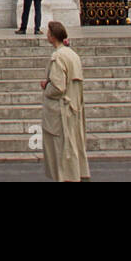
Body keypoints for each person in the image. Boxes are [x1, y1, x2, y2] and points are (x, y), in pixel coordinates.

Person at [41, 21, 90, 181]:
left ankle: (67, 178)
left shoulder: (57, 57)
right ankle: (78, 174)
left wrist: (46, 87)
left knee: (62, 149)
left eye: (48, 33)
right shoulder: (73, 54)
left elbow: (57, 87)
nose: (46, 35)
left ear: (53, 37)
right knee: (73, 146)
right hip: (74, 107)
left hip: (61, 110)